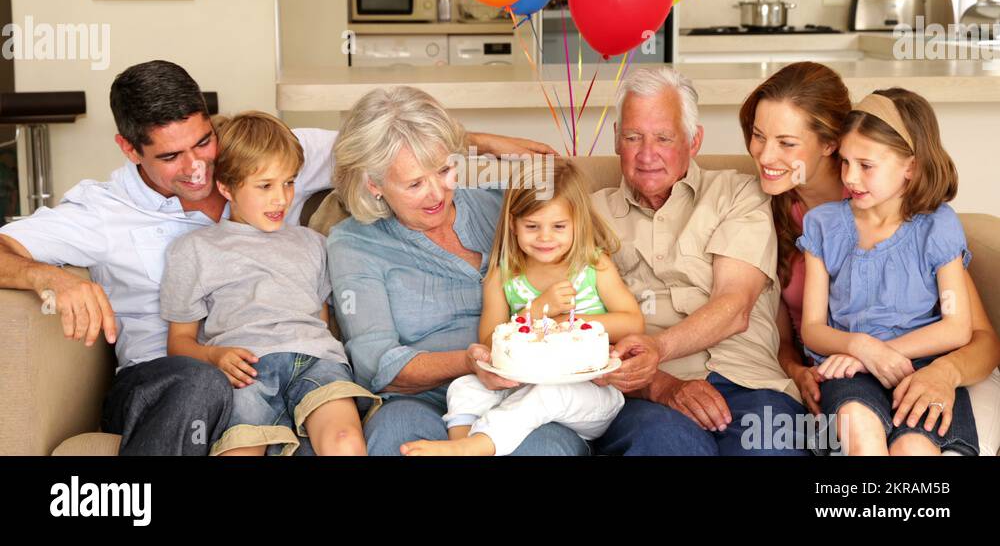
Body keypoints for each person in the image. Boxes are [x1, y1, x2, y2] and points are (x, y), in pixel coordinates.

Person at [0, 60, 552, 455]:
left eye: (202, 143)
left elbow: (377, 146)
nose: (197, 169)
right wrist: (50, 278)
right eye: (170, 156)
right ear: (129, 149)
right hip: (168, 376)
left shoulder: (262, 157)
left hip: (288, 359)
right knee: (206, 385)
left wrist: (473, 141)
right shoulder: (101, 210)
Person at [739, 62, 1000, 454]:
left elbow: (972, 335)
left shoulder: (900, 210)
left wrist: (943, 372)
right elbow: (785, 329)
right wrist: (797, 370)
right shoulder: (768, 211)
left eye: (787, 143)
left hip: (929, 366)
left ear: (830, 142)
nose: (764, 155)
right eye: (758, 136)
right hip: (841, 370)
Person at [328, 86, 590, 456]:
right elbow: (376, 363)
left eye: (445, 170)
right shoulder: (354, 243)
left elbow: (569, 208)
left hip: (522, 393)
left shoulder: (499, 203)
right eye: (415, 184)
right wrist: (471, 360)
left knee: (549, 448)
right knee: (398, 439)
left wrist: (481, 143)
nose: (437, 194)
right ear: (375, 184)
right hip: (421, 400)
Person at [589, 66, 811, 456]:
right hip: (647, 397)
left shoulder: (739, 194)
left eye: (663, 138)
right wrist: (658, 382)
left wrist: (656, 347)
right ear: (616, 141)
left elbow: (734, 306)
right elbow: (576, 330)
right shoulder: (586, 214)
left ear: (694, 141)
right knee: (664, 448)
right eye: (633, 137)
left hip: (751, 385)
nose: (646, 154)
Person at [161, 112, 380, 456]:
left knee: (345, 443)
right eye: (265, 186)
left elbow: (322, 323)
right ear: (226, 187)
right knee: (241, 451)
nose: (281, 198)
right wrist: (214, 355)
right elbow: (180, 342)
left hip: (316, 361)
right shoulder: (194, 250)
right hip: (247, 371)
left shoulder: (312, 243)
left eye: (289, 182)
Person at [401, 159, 643, 456]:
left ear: (578, 223)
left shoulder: (593, 265)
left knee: (547, 395)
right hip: (523, 383)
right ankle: (460, 441)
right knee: (464, 386)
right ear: (514, 223)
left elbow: (633, 322)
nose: (545, 237)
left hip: (592, 394)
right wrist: (539, 309)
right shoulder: (503, 277)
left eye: (558, 226)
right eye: (532, 226)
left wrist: (569, 324)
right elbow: (490, 343)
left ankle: (476, 446)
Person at [798, 89, 979, 455]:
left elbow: (957, 326)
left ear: (910, 166)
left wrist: (880, 352)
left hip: (922, 369)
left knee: (915, 448)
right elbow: (812, 329)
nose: (849, 177)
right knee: (861, 433)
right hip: (849, 373)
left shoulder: (938, 226)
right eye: (845, 162)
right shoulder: (823, 225)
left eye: (866, 165)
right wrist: (860, 349)